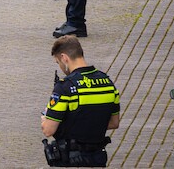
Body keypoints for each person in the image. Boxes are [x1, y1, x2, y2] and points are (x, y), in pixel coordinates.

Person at [40, 36, 120, 167]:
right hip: (97, 159)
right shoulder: (108, 83)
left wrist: (45, 117)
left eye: (58, 62)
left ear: (64, 58)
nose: (60, 67)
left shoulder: (64, 87)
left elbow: (48, 130)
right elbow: (114, 123)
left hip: (70, 159)